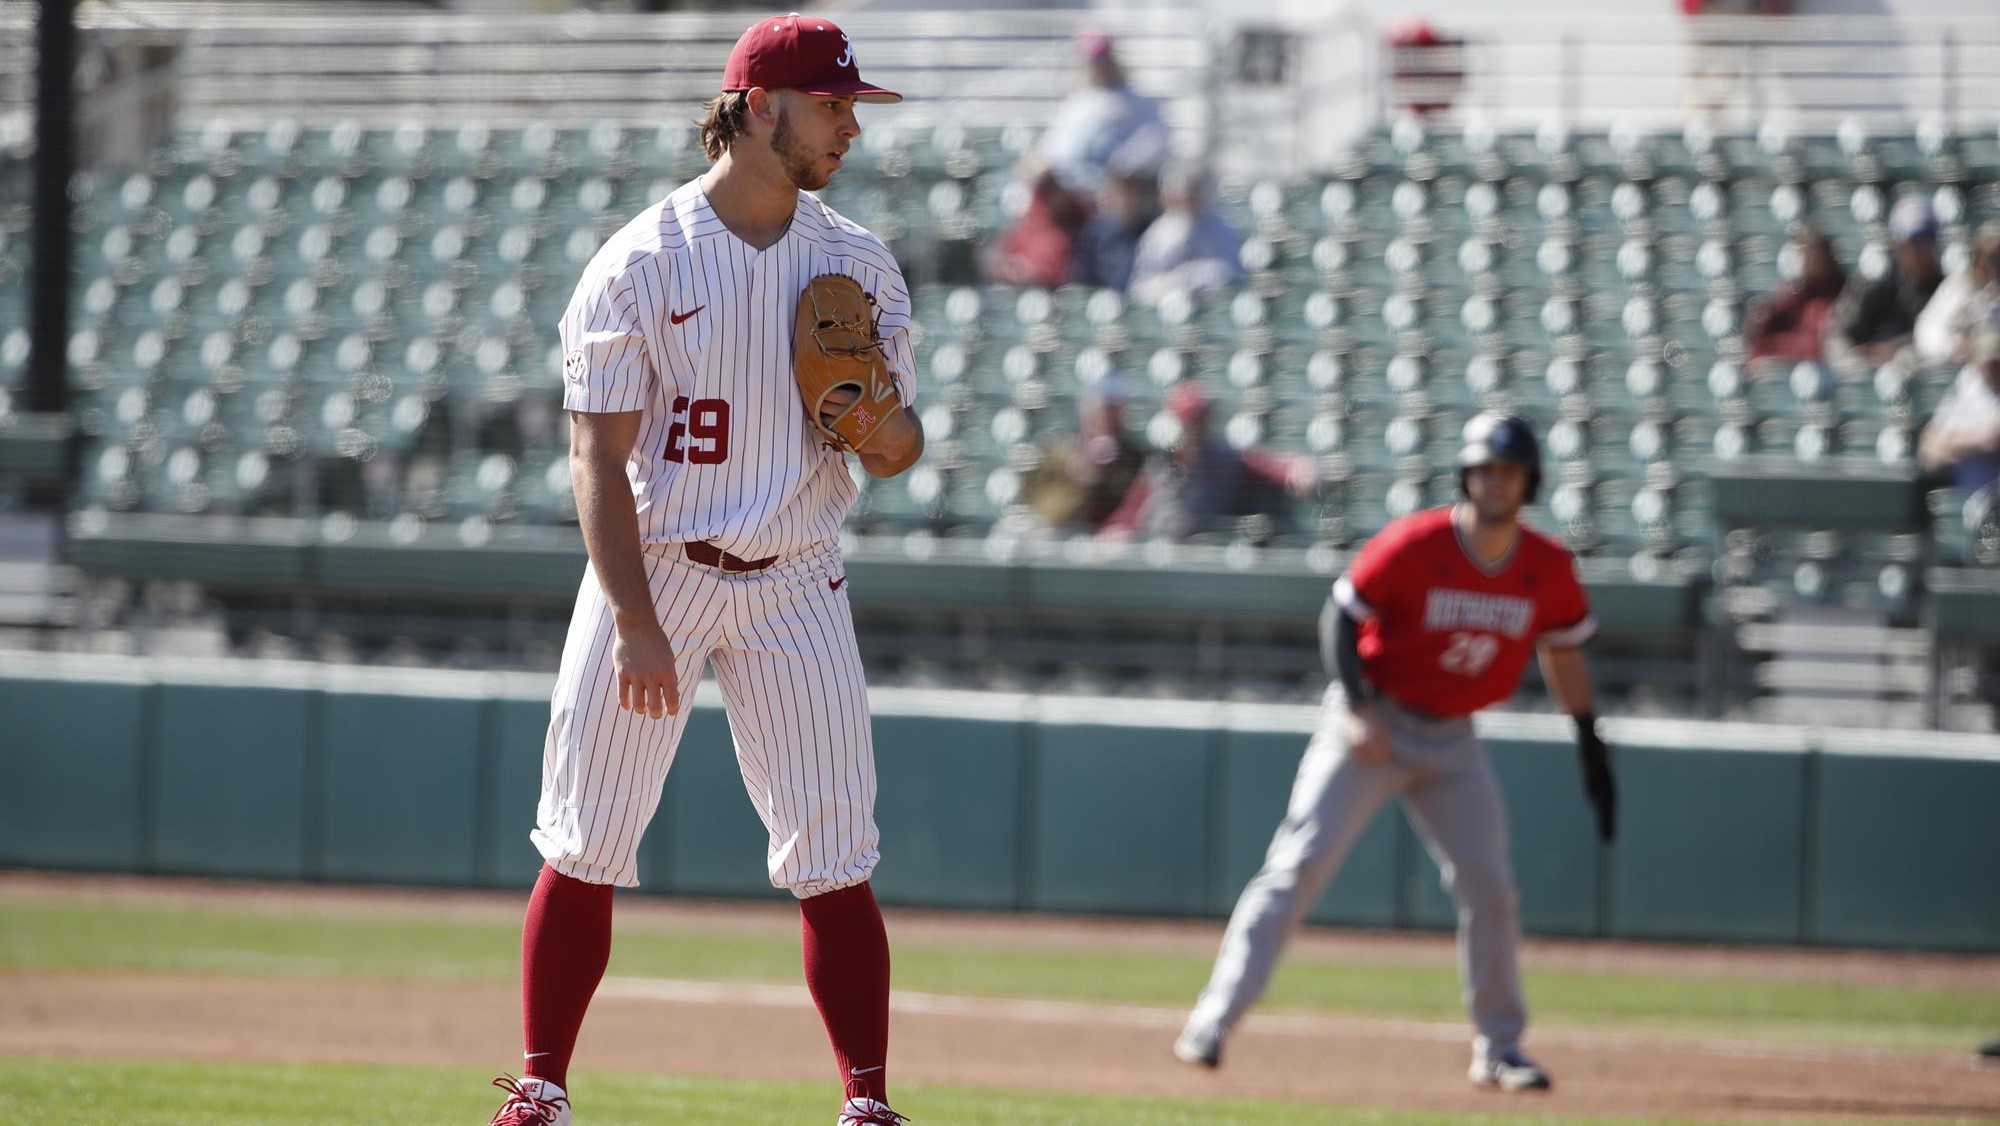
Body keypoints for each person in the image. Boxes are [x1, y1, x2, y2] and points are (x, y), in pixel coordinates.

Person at [483, 15, 924, 1126]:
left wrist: (869, 415)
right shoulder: (641, 260)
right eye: (834, 105)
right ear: (759, 106)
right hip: (657, 566)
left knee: (835, 851)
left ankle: (866, 1104)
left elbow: (899, 453)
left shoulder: (858, 261)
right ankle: (542, 1088)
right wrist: (634, 619)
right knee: (585, 834)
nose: (851, 127)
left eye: (853, 108)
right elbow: (595, 457)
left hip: (797, 572)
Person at [1173, 413, 1615, 1094]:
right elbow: (1341, 617)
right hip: (1374, 720)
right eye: (1485, 469)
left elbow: (1563, 650)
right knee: (1297, 864)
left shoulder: (1546, 566)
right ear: (1466, 476)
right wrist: (1354, 707)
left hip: (1453, 737)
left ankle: (1499, 1048)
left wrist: (1587, 737)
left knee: (1490, 887)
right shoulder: (1417, 543)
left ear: (1529, 481)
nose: (1496, 482)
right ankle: (1213, 1019)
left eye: (1509, 471)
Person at [1101, 381, 1313, 543]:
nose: (1198, 427)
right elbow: (1131, 512)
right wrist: (1117, 530)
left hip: (1199, 553)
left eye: (1201, 419)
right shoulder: (1160, 464)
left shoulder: (1222, 460)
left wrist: (1294, 467)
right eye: (1192, 421)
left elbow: (1267, 466)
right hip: (1156, 549)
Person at [1035, 30, 1171, 198]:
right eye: (1093, 63)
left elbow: (1156, 141)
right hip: (1076, 198)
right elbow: (1054, 151)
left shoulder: (1138, 101)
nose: (1099, 68)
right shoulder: (1076, 104)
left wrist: (1121, 169)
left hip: (1124, 196)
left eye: (1103, 61)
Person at [1828, 195, 1945, 371]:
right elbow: (1839, 334)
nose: (1925, 248)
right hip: (1866, 375)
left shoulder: (1945, 290)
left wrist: (1896, 350)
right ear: (1899, 243)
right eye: (1917, 239)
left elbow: (1939, 340)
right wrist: (1859, 360)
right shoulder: (1873, 284)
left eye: (1930, 237)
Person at [1020, 373, 1148, 534]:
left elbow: (1136, 508)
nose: (1106, 419)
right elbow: (1047, 511)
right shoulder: (1059, 454)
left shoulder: (1135, 459)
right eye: (1102, 411)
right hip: (1061, 534)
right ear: (1084, 411)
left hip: (1112, 538)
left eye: (1113, 412)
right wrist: (1078, 481)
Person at [1127, 164, 1243, 308]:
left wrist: (1197, 277)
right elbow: (1141, 287)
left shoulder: (1220, 228)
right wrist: (1179, 282)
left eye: (1193, 193)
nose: (1188, 199)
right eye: (1182, 194)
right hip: (1168, 308)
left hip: (1215, 307)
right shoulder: (1158, 234)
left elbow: (1232, 273)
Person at [1743, 225, 1845, 365]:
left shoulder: (1844, 295)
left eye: (1818, 255)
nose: (1814, 261)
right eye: (1807, 255)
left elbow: (1824, 347)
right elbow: (1758, 349)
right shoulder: (1788, 301)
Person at [1918, 321, 2000, 494]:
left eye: (1997, 362)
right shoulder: (1969, 381)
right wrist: (1967, 442)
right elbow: (1930, 447)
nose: (1993, 368)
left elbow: (1993, 439)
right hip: (1965, 488)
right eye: (1988, 362)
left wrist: (1952, 441)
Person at [1914, 222, 2000, 369]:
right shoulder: (1959, 286)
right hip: (1959, 370)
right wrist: (1952, 345)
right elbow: (1925, 332)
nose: (1997, 265)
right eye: (1994, 258)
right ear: (1979, 258)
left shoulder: (1994, 292)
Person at [1070, 169, 1158, 292]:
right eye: (1121, 193)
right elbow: (1083, 277)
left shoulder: (1153, 231)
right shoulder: (1096, 232)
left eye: (1132, 193)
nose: (1126, 200)